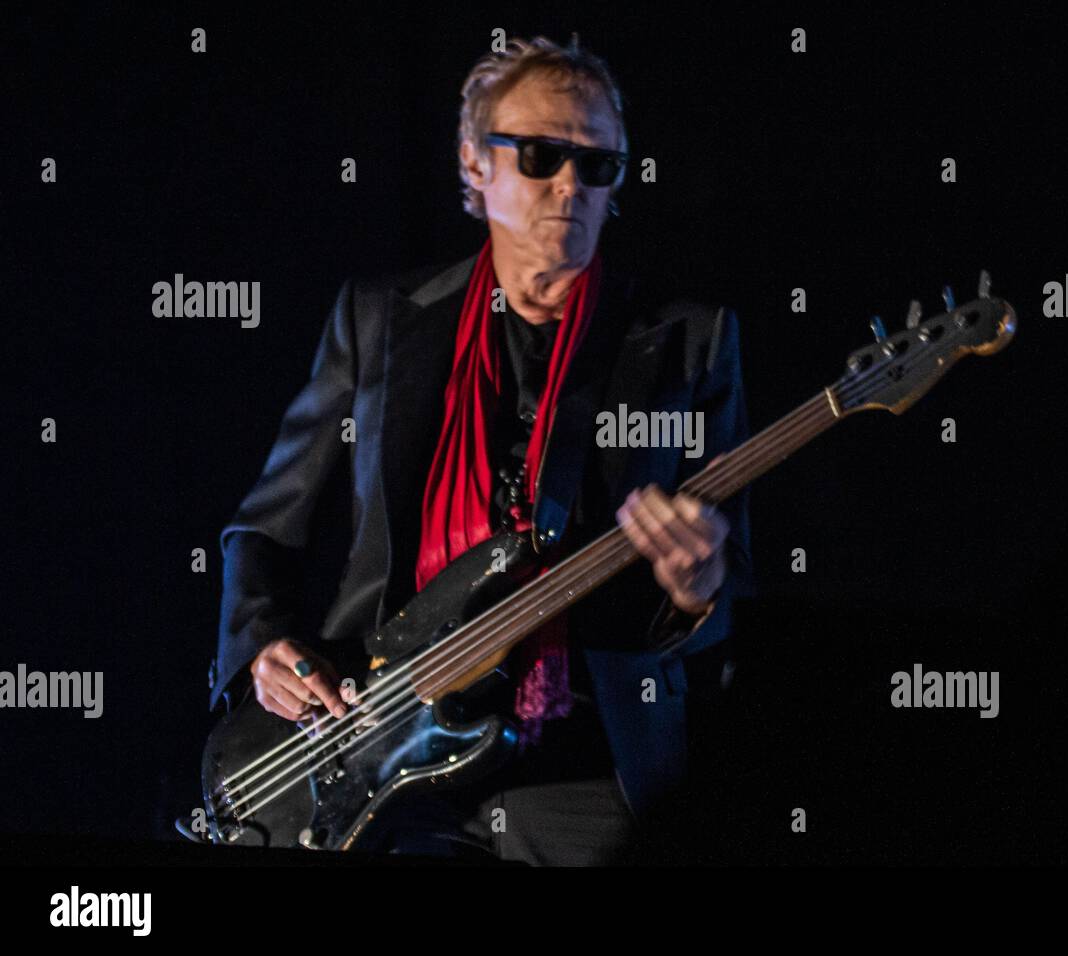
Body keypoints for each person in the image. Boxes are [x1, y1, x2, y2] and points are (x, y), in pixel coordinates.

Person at [208, 34, 755, 865]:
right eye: (540, 155)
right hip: (374, 747)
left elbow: (727, 584)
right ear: (474, 164)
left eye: (597, 165)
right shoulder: (378, 320)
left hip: (584, 768)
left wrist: (695, 592)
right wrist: (259, 645)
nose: (569, 183)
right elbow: (266, 526)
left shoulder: (687, 342)